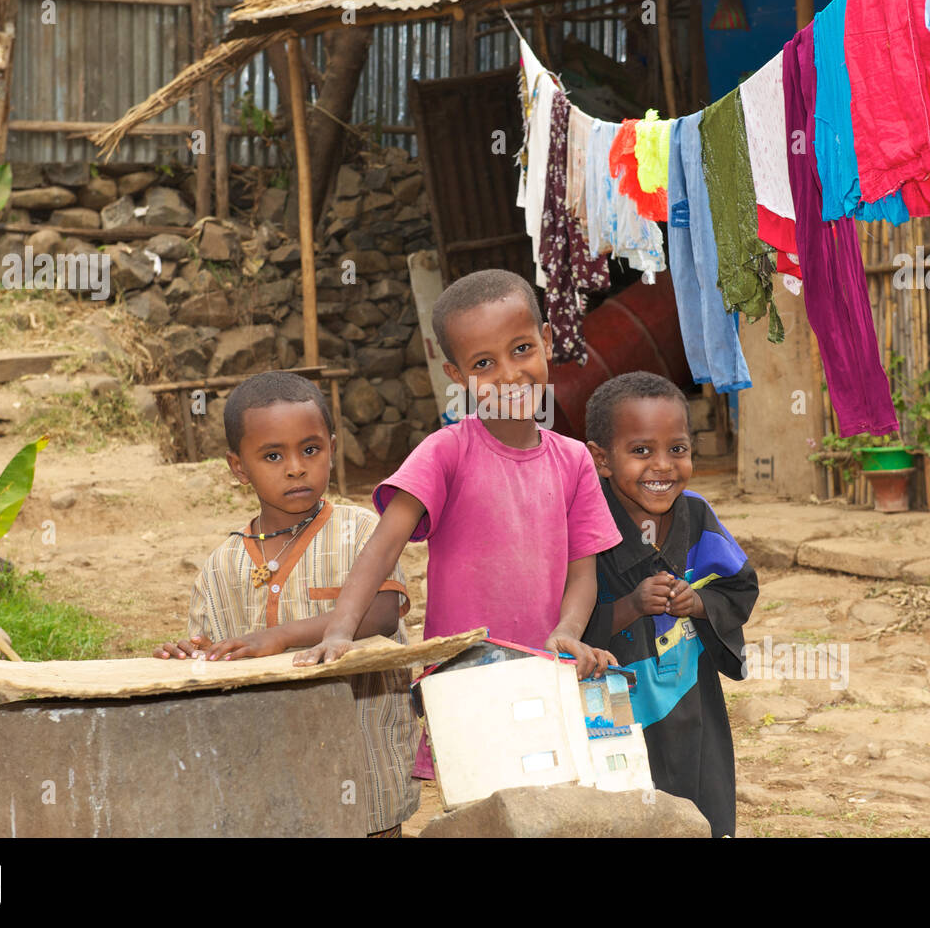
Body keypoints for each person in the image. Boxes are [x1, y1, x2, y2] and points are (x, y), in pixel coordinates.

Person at [294, 269, 623, 779]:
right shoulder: (447, 452)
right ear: (456, 374)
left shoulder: (575, 460)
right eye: (484, 363)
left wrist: (568, 631)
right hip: (463, 684)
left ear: (548, 341)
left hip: (546, 678)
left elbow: (583, 574)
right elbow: (383, 549)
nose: (510, 375)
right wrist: (341, 631)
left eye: (521, 349)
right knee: (478, 806)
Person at [153, 371, 418, 838]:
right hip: (267, 792)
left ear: (332, 448)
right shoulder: (219, 569)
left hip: (363, 785)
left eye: (310, 450)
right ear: (239, 468)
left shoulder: (362, 532)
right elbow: (213, 665)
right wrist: (191, 656)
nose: (296, 467)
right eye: (273, 455)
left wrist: (275, 638)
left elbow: (379, 615)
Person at [582, 371, 759, 836]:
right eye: (641, 451)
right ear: (601, 458)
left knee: (703, 807)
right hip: (614, 709)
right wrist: (631, 606)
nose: (662, 466)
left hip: (691, 698)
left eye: (677, 449)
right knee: (621, 808)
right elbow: (562, 624)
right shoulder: (585, 524)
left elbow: (740, 586)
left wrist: (698, 604)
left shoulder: (697, 514)